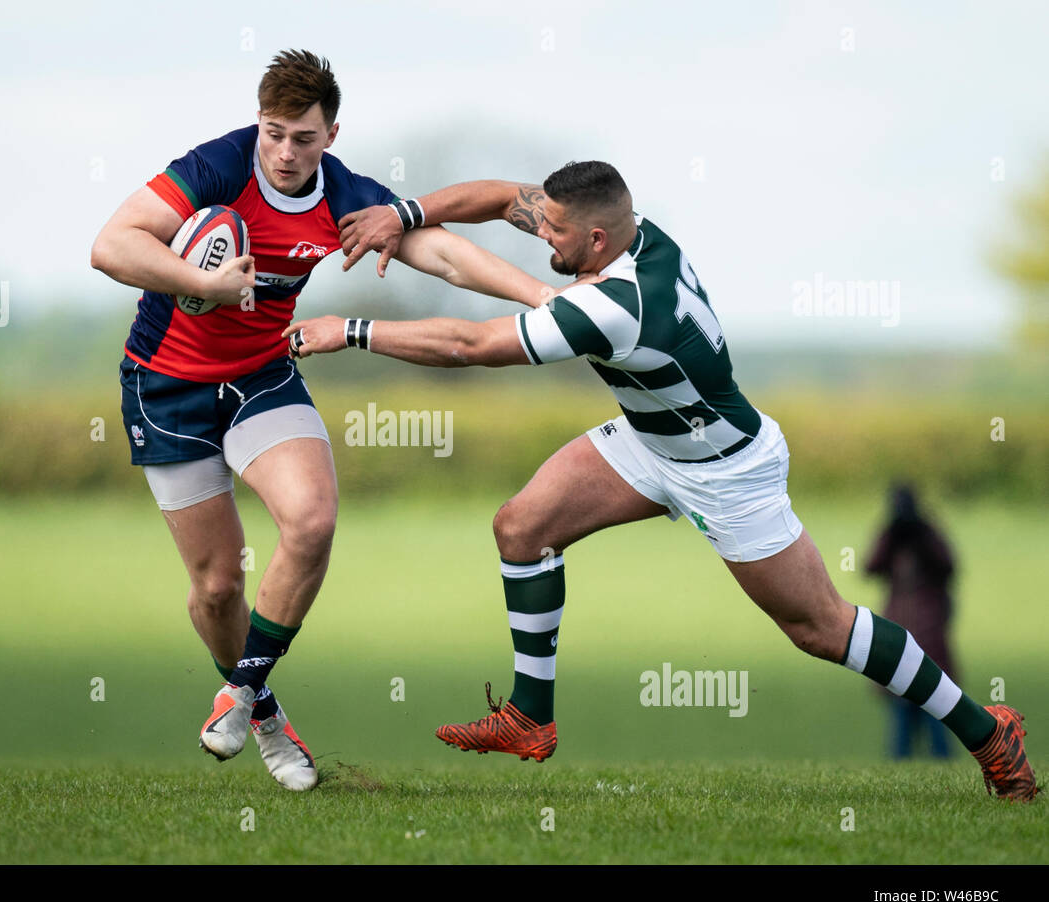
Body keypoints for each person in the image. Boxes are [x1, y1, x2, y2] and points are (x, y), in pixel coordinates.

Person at [286, 161, 1038, 801]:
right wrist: (401, 211)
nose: (539, 234)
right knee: (521, 527)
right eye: (541, 221)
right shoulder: (619, 235)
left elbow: (469, 345)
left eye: (552, 231)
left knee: (821, 628)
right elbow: (495, 197)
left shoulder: (613, 306)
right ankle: (529, 716)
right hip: (653, 443)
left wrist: (347, 330)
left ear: (596, 240)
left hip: (726, 470)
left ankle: (985, 731)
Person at [90, 51, 549, 791]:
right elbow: (111, 246)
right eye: (273, 132)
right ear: (259, 122)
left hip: (261, 376)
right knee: (215, 588)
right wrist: (202, 282)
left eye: (303, 137)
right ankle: (269, 718)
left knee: (311, 522)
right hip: (165, 387)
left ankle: (238, 694)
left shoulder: (346, 198)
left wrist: (541, 298)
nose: (285, 151)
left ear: (331, 133)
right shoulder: (216, 167)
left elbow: (445, 257)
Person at [866, 484, 958, 759]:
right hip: (903, 629)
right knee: (904, 712)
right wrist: (892, 533)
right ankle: (905, 762)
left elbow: (948, 565)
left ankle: (937, 763)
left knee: (934, 704)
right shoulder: (894, 538)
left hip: (927, 632)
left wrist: (922, 534)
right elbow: (871, 566)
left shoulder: (927, 535)